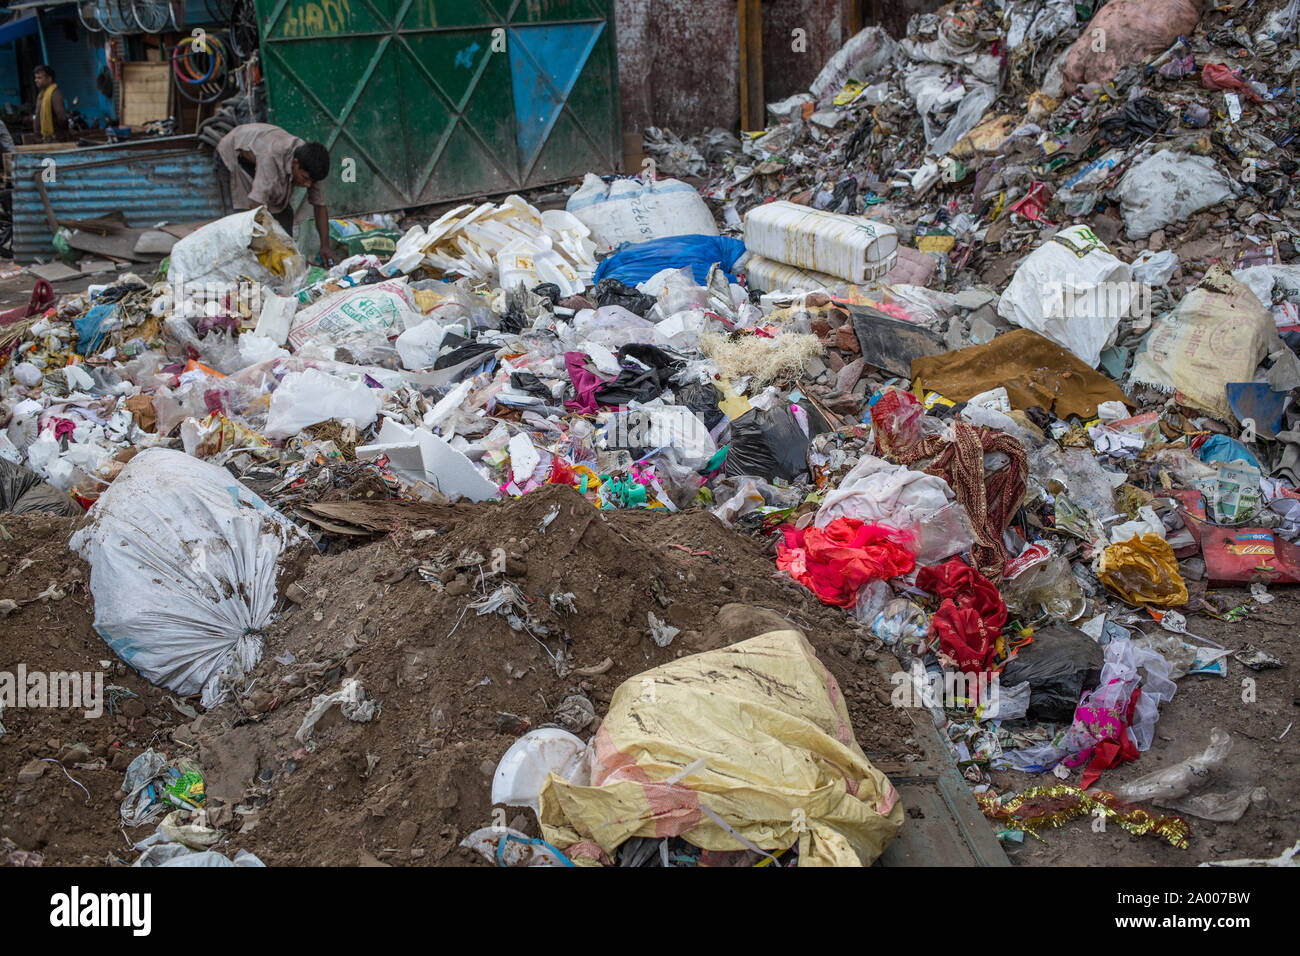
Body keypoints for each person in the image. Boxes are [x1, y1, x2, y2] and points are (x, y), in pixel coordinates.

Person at [214, 123, 338, 265]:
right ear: (295, 164)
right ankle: (241, 265)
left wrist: (325, 246)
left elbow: (320, 205)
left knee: (283, 213)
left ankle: (286, 261)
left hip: (260, 151)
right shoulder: (271, 157)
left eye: (312, 181)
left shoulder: (311, 163)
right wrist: (272, 244)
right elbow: (256, 204)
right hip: (233, 152)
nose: (308, 185)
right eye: (305, 179)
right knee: (242, 219)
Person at [32, 65, 69, 143]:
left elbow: (62, 117)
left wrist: (64, 132)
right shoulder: (41, 95)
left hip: (54, 139)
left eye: (39, 78)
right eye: (35, 78)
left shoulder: (54, 94)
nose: (36, 80)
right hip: (44, 139)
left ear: (49, 78)